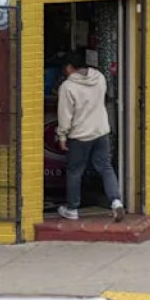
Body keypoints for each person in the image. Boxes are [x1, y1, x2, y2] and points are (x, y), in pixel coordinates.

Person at [56, 51, 125, 223]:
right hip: (101, 131)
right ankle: (115, 201)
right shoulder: (100, 78)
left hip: (80, 135)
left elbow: (65, 115)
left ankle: (72, 208)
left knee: (75, 171)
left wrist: (62, 135)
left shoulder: (68, 87)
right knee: (105, 167)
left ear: (70, 67)